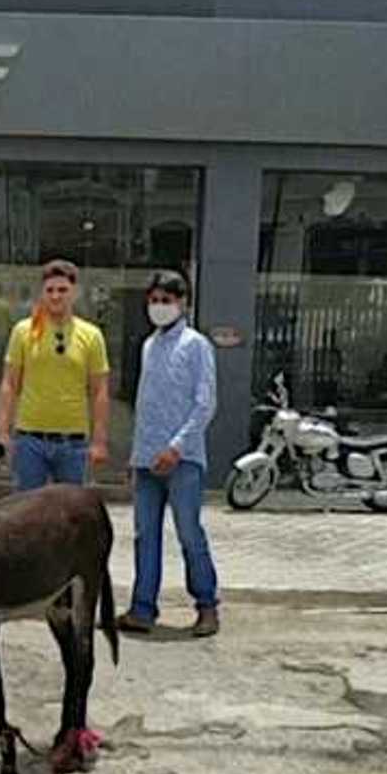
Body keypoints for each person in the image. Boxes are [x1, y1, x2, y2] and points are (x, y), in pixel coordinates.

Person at [116, 271, 222, 638]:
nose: (159, 307)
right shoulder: (149, 345)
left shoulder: (196, 346)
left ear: (183, 303)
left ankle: (206, 606)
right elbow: (145, 406)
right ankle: (143, 608)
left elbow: (205, 404)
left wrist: (177, 446)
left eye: (167, 300)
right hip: (146, 459)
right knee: (146, 535)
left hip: (183, 459)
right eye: (154, 300)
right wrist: (136, 457)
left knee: (189, 533)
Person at [0, 259, 111, 491]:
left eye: (62, 290)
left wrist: (99, 440)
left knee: (68, 517)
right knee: (26, 513)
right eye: (50, 290)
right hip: (30, 441)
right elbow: (10, 383)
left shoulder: (91, 335)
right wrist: (2, 431)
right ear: (42, 293)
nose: (56, 296)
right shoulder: (23, 331)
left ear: (75, 292)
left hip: (73, 442)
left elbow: (99, 391)